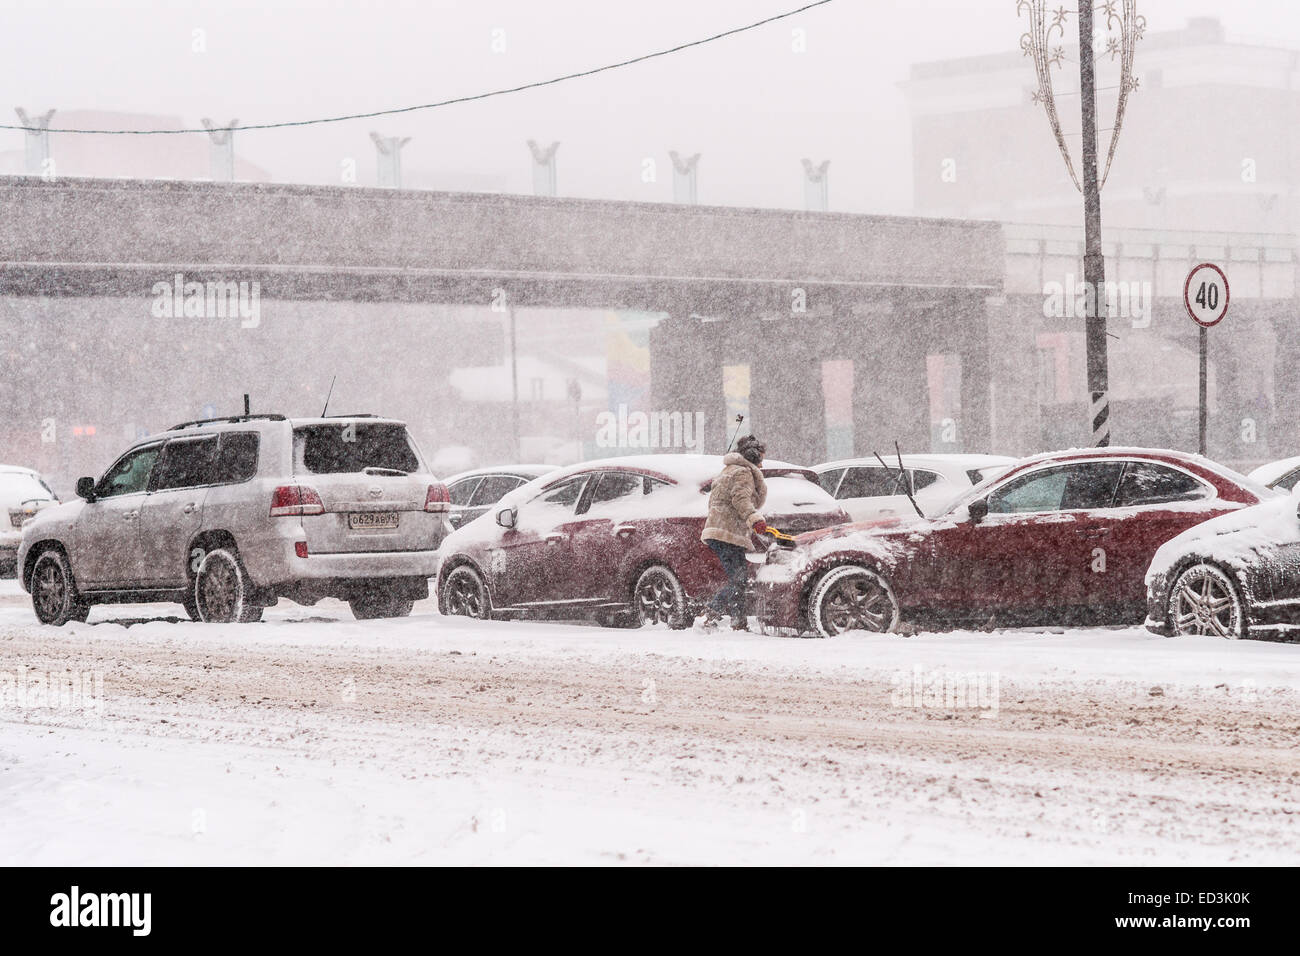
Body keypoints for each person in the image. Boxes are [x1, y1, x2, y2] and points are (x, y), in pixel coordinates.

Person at [700, 435, 768, 630]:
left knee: (739, 579)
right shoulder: (743, 472)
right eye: (761, 459)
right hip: (727, 533)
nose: (762, 464)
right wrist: (754, 518)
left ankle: (738, 622)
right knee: (739, 579)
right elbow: (740, 500)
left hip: (722, 530)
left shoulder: (728, 470)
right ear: (753, 457)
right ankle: (709, 614)